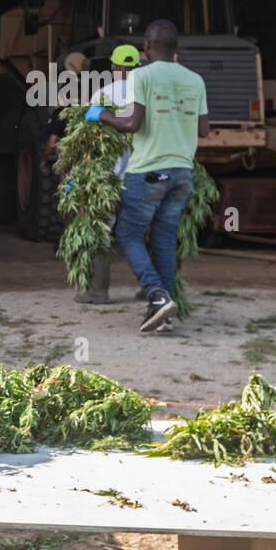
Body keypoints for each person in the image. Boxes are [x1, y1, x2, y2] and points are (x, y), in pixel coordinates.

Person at [86, 20, 209, 333]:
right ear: (175, 48)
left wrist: (101, 115)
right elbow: (204, 129)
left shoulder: (141, 75)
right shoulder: (195, 80)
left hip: (149, 171)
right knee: (165, 238)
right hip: (182, 171)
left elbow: (132, 124)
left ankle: (156, 295)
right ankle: (163, 315)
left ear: (148, 48)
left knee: (128, 233)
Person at [67, 44, 141, 306]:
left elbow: (87, 141)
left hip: (107, 178)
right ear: (137, 68)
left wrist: (74, 176)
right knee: (145, 232)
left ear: (114, 67)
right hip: (140, 176)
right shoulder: (147, 95)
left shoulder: (103, 94)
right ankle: (152, 288)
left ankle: (99, 291)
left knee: (100, 231)